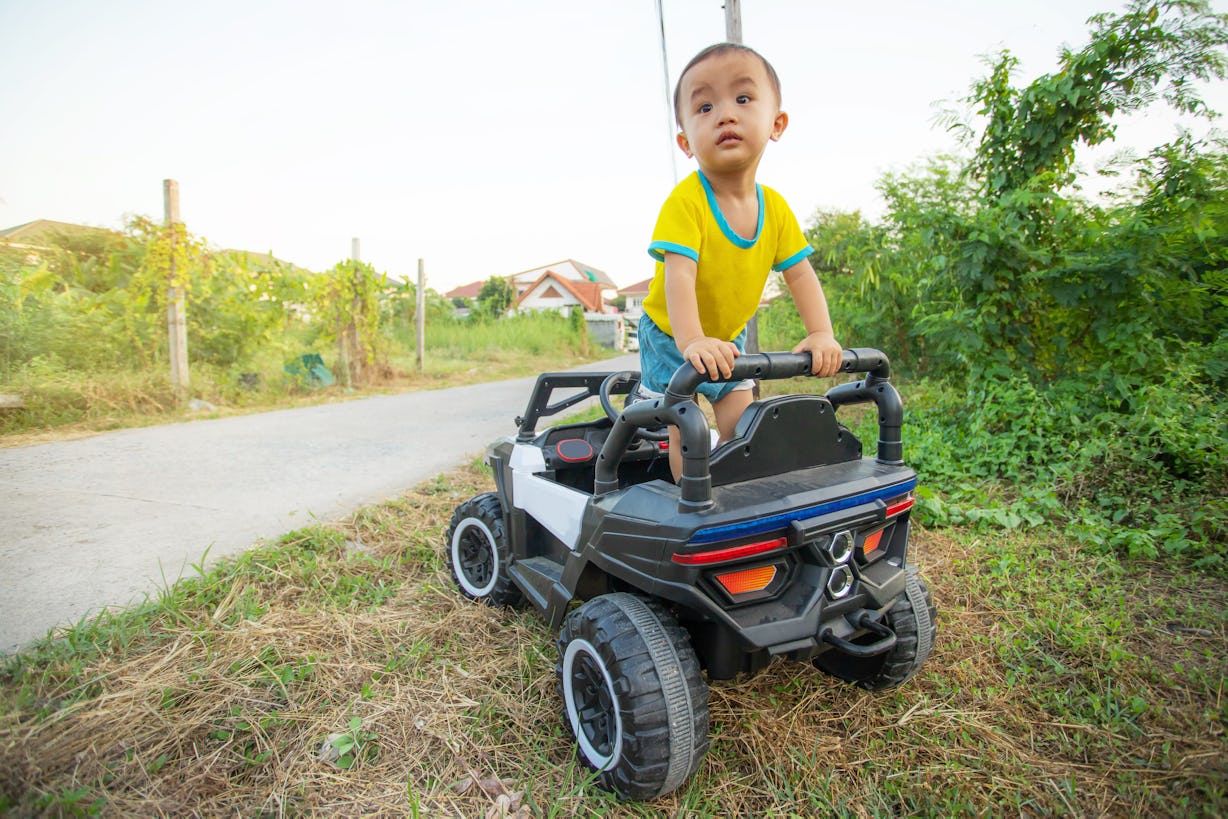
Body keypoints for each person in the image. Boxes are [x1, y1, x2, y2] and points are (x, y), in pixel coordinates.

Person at [638, 42, 844, 480]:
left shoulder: (776, 208)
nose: (725, 115)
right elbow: (679, 276)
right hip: (670, 332)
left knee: (741, 425)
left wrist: (820, 333)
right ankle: (691, 507)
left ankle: (737, 498)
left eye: (743, 99)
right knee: (685, 424)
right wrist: (691, 341)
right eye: (705, 106)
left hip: (727, 338)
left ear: (777, 122)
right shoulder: (686, 203)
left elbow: (801, 274)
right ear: (685, 142)